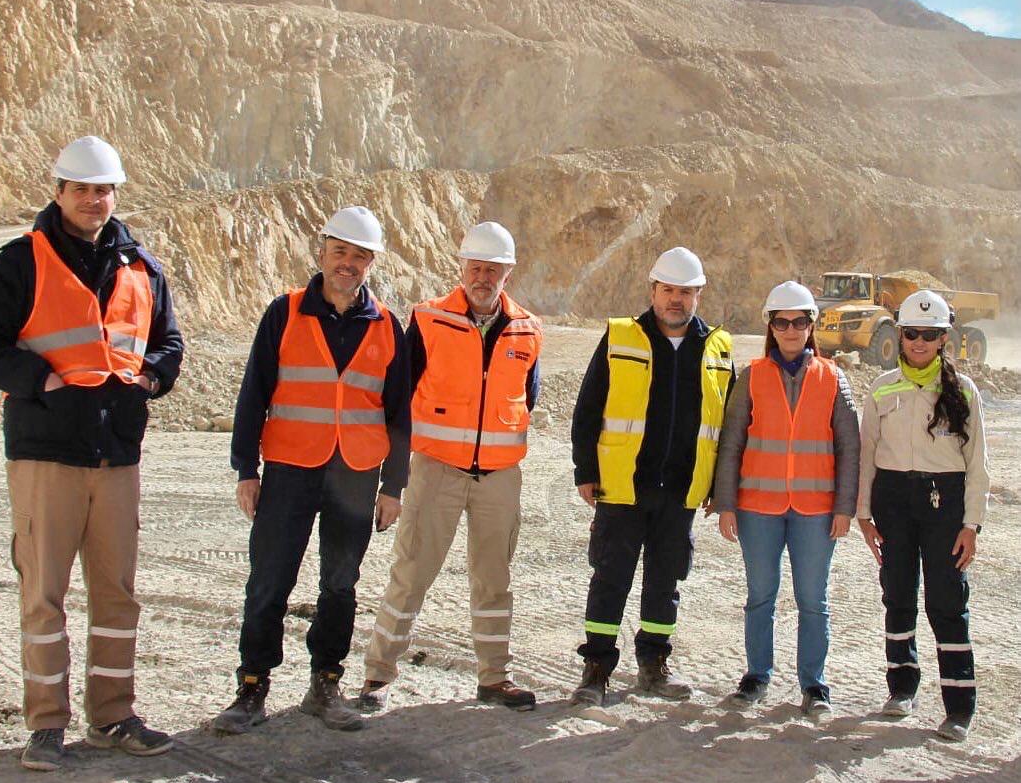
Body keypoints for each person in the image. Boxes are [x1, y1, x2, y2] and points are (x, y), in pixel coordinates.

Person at [0, 136, 184, 772]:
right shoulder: (20, 262)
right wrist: (40, 381)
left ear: (115, 194)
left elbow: (169, 343)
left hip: (117, 454)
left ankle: (112, 716)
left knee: (116, 593)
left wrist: (150, 379)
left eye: (104, 190)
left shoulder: (142, 267)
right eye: (82, 190)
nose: (94, 200)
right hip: (47, 452)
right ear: (59, 192)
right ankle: (46, 724)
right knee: (44, 593)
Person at [213, 206, 410, 734]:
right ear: (321, 252)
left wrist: (393, 486)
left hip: (356, 473)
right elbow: (253, 393)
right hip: (290, 467)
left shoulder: (387, 326)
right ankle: (252, 685)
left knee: (340, 585)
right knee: (269, 579)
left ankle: (326, 683)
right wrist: (245, 468)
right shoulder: (285, 313)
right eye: (340, 251)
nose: (348, 263)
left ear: (371, 263)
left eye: (360, 255)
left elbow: (399, 415)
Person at [360, 222, 542, 711]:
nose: (483, 277)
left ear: (507, 273)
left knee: (494, 578)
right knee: (411, 572)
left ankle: (495, 677)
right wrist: (394, 477)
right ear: (461, 268)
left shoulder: (527, 329)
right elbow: (399, 401)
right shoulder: (428, 320)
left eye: (493, 269)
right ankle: (377, 674)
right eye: (475, 268)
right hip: (436, 469)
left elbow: (527, 397)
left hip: (499, 477)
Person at [568, 246, 734, 705]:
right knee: (610, 577)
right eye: (668, 290)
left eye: (685, 291)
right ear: (653, 291)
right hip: (623, 485)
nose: (675, 300)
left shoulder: (717, 348)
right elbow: (588, 408)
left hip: (681, 490)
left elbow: (724, 427)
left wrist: (717, 486)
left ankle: (654, 664)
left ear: (699, 295)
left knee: (666, 580)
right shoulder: (622, 336)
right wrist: (586, 470)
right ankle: (596, 669)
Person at [714, 281, 860, 715]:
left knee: (813, 600)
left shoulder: (833, 377)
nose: (791, 330)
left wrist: (844, 508)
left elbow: (849, 447)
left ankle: (814, 685)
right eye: (782, 322)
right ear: (771, 326)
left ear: (811, 325)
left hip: (816, 512)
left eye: (799, 322)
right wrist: (725, 503)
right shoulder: (752, 375)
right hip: (757, 508)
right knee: (761, 595)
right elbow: (731, 442)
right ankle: (756, 677)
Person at [857, 290, 989, 743]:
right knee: (898, 594)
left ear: (943, 338)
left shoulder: (963, 391)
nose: (919, 342)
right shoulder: (881, 387)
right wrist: (863, 514)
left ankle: (959, 707)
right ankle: (901, 688)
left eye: (929, 335)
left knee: (947, 602)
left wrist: (971, 525)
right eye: (912, 333)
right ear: (900, 334)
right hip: (893, 501)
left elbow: (977, 465)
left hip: (944, 505)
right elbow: (867, 456)